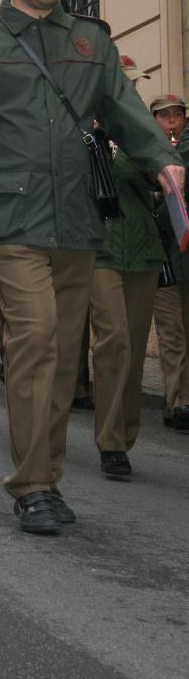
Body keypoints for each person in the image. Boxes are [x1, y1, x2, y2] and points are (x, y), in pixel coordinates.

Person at [0, 0, 182, 536]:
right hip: (10, 219)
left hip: (76, 218)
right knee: (35, 342)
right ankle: (32, 485)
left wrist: (165, 163)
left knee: (63, 356)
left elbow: (124, 111)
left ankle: (48, 475)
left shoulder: (89, 41)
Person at [85, 58, 161, 480]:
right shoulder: (84, 134)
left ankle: (123, 434)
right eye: (125, 84)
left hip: (144, 251)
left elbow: (160, 175)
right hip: (101, 251)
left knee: (131, 348)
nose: (131, 91)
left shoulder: (141, 132)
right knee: (112, 340)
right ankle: (110, 441)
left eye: (135, 85)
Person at [150, 93, 189, 430]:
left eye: (178, 115)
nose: (173, 122)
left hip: (184, 257)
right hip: (160, 261)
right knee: (172, 334)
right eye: (166, 117)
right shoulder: (144, 154)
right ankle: (178, 403)